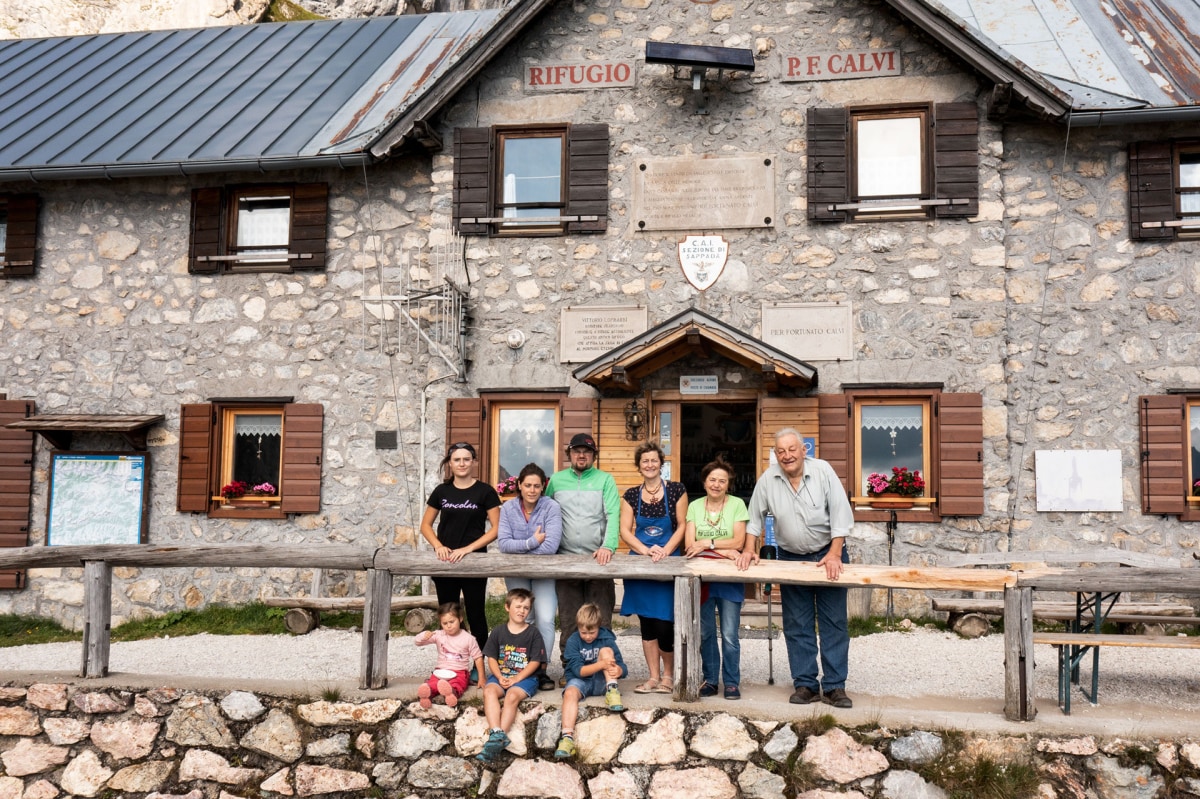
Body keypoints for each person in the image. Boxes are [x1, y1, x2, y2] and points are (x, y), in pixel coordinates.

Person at [743, 428, 855, 709]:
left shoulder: (823, 471)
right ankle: (805, 684)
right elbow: (754, 519)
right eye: (781, 451)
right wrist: (748, 549)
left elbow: (841, 513)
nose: (787, 456)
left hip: (827, 555)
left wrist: (834, 552)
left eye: (792, 449)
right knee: (797, 624)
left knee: (834, 623)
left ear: (804, 450)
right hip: (791, 558)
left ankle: (834, 686)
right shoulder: (768, 479)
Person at [545, 432, 620, 685]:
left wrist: (608, 545)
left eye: (586, 452)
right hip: (566, 560)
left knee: (602, 619)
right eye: (576, 451)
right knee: (569, 620)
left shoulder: (605, 479)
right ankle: (570, 669)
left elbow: (612, 513)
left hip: (597, 560)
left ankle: (605, 668)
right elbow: (546, 513)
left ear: (593, 455)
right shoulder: (556, 480)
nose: (581, 455)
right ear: (569, 454)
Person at [618, 441, 687, 694]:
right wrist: (646, 550)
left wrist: (665, 551)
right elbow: (625, 531)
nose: (649, 465)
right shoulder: (631, 495)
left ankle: (669, 676)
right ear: (639, 466)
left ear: (661, 463)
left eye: (654, 460)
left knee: (665, 623)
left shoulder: (677, 490)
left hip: (668, 562)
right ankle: (653, 677)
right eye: (644, 461)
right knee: (646, 623)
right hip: (641, 563)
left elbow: (682, 525)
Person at [420, 441, 501, 653]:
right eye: (457, 460)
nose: (462, 463)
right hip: (445, 562)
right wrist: (438, 546)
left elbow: (496, 529)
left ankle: (479, 660)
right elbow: (425, 526)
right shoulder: (441, 491)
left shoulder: (485, 492)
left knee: (476, 613)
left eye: (466, 459)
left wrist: (468, 549)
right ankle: (450, 658)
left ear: (474, 462)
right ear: (450, 463)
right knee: (448, 613)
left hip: (474, 561)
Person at [684, 457, 749, 700]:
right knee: (706, 633)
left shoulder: (737, 505)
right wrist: (722, 550)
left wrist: (707, 544)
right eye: (712, 479)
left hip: (729, 578)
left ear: (728, 484)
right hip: (702, 577)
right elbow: (690, 545)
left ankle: (731, 682)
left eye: (722, 481)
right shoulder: (694, 506)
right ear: (704, 482)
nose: (717, 484)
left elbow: (739, 542)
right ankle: (710, 680)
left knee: (730, 634)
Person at [497, 462, 562, 691]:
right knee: (524, 618)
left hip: (544, 573)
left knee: (545, 619)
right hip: (516, 573)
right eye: (528, 485)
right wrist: (532, 542)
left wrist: (520, 548)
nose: (532, 490)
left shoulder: (551, 507)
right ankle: (523, 669)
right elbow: (503, 544)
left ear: (543, 487)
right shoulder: (507, 509)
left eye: (536, 486)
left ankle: (541, 670)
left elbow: (551, 546)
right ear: (519, 486)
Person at [477, 587, 546, 763]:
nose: (522, 611)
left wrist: (517, 678)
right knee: (489, 692)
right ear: (507, 607)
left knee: (512, 695)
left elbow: (535, 661)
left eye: (526, 608)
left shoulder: (533, 633)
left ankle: (500, 736)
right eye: (518, 606)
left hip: (525, 678)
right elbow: (491, 657)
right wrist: (499, 676)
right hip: (501, 675)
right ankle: (496, 733)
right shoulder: (498, 632)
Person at [555, 602, 628, 760]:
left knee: (606, 651)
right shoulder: (573, 641)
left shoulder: (606, 638)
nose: (588, 636)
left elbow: (623, 666)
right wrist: (601, 664)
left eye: (592, 632)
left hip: (603, 681)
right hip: (581, 680)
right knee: (569, 693)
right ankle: (567, 738)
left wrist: (619, 671)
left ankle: (612, 691)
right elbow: (578, 671)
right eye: (584, 632)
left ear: (599, 627)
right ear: (578, 627)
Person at [413, 602, 485, 708]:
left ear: (460, 619)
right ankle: (426, 695)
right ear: (441, 623)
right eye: (445, 623)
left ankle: (452, 693)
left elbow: (478, 658)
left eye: (452, 622)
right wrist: (424, 635)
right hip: (440, 671)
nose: (449, 626)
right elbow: (417, 642)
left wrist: (482, 678)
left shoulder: (468, 638)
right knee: (434, 682)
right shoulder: (439, 635)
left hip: (459, 672)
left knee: (458, 684)